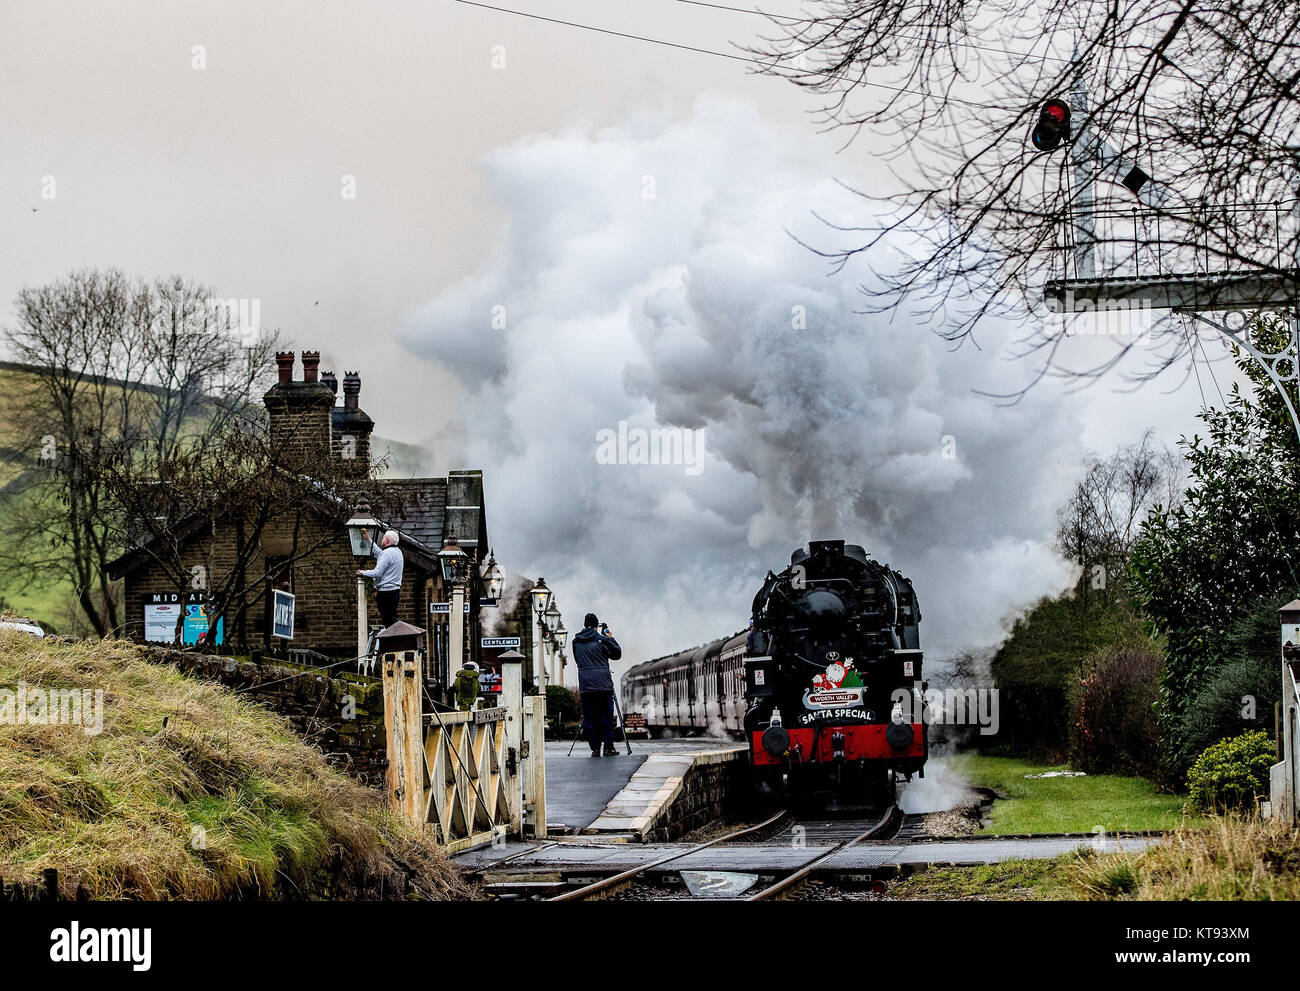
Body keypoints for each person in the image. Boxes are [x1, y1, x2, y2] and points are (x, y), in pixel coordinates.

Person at [572, 613, 622, 757]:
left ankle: (595, 748)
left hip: (586, 685)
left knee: (590, 717)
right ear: (596, 625)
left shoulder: (576, 642)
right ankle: (608, 748)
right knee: (605, 717)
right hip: (603, 685)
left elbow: (578, 660)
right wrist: (609, 638)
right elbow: (617, 654)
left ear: (584, 624)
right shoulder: (602, 640)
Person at [357, 529, 404, 629]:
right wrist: (368, 539)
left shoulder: (386, 554)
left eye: (383, 538)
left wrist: (363, 572)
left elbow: (377, 573)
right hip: (395, 592)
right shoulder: (397, 552)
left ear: (387, 541)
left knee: (388, 623)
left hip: (385, 594)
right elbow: (379, 554)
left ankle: (390, 643)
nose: (381, 540)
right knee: (391, 620)